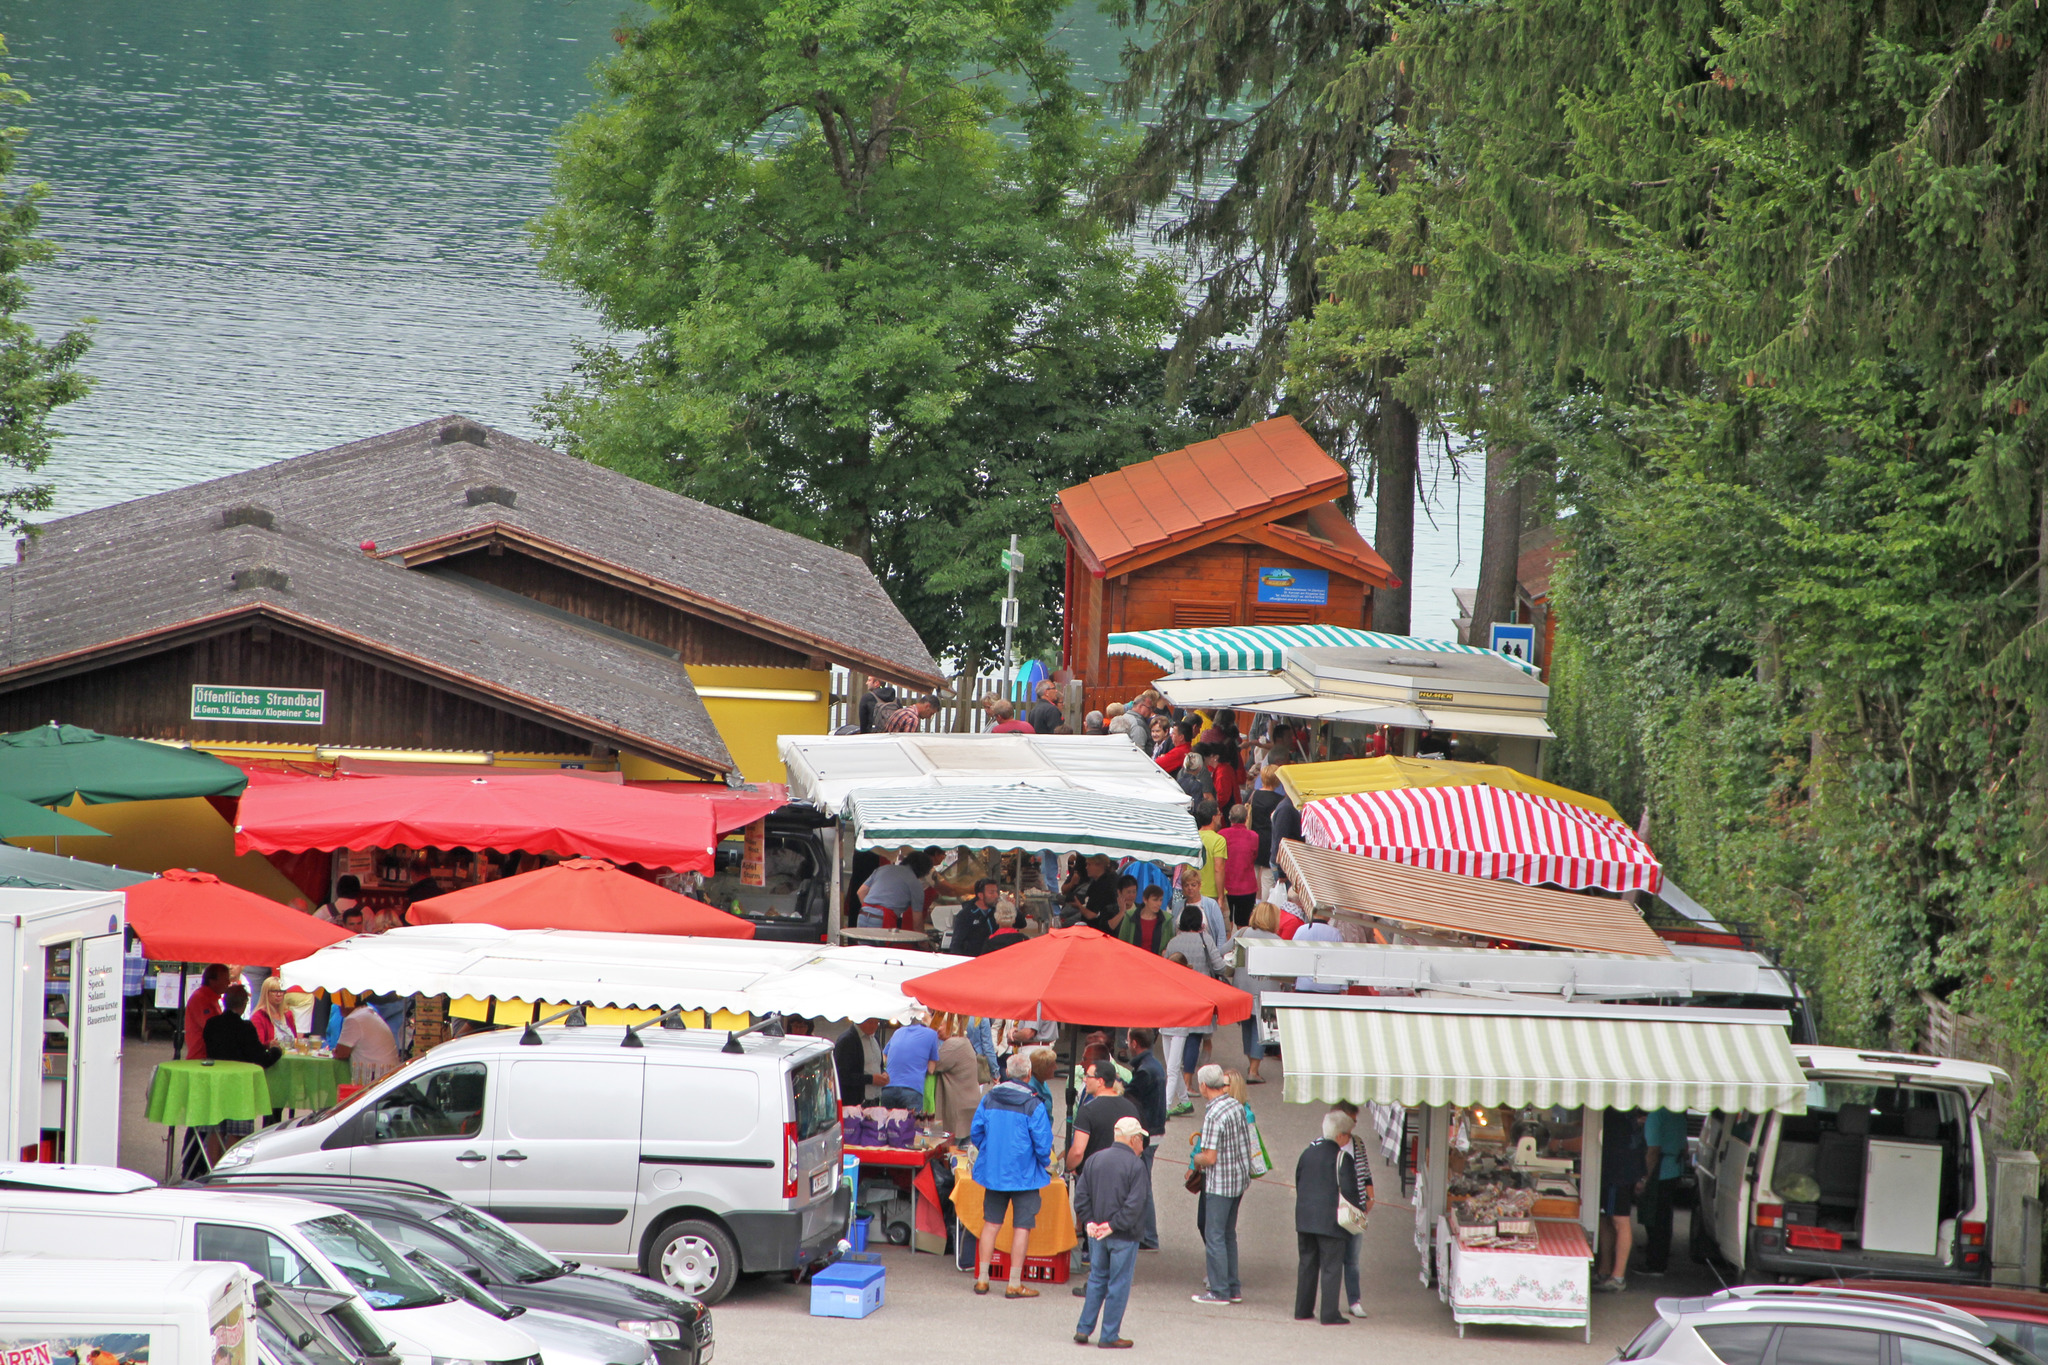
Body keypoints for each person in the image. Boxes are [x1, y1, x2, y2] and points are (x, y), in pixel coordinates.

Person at [968, 1051, 1055, 1298]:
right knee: (1021, 1227)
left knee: (991, 1224)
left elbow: (976, 1132)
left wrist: (990, 1151)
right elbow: (1042, 1143)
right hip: (1025, 1175)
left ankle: (983, 1279)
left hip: (994, 1172)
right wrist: (1045, 1162)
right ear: (1029, 1074)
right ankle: (1014, 1282)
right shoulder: (1034, 1104)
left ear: (1007, 1072)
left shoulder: (989, 1098)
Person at [1072, 1115, 1149, 1349]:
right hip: (1123, 1235)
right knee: (1119, 1283)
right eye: (1141, 1140)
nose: (1142, 1145)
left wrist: (1090, 1222)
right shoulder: (1136, 1165)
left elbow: (1081, 1196)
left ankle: (1083, 1329)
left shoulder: (1095, 1159)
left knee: (1096, 1279)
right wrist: (1114, 1225)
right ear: (1134, 1139)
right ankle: (1109, 1335)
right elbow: (1135, 1205)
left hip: (1096, 1233)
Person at [1189, 1064, 1252, 1305]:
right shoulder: (1236, 1106)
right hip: (1237, 1179)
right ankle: (1232, 1287)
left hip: (1220, 1183)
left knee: (1214, 1235)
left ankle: (1219, 1291)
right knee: (1228, 1235)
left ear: (1204, 1086)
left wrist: (1196, 1159)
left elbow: (1210, 1157)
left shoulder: (1214, 1113)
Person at [1293, 1111, 1359, 1325]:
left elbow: (1298, 1179)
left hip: (1305, 1217)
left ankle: (1302, 1309)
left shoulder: (1307, 1153)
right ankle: (1329, 1313)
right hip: (1331, 1220)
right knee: (1331, 1266)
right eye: (1348, 1135)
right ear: (1340, 1136)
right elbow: (1350, 1192)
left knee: (1307, 1263)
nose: (1349, 1139)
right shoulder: (1343, 1158)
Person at [1329, 1102, 1376, 1316]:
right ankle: (1330, 1301)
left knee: (1352, 1258)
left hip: (1355, 1208)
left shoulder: (1357, 1143)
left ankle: (1354, 1300)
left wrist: (1370, 1195)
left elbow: (1365, 1171)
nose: (1354, 1125)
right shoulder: (1327, 1143)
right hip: (1333, 1207)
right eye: (1352, 1120)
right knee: (1332, 1257)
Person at [1594, 1108, 1647, 1292]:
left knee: (1619, 1219)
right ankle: (1605, 1270)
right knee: (1605, 1218)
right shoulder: (1620, 1110)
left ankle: (1618, 1277)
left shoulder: (1618, 1108)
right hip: (1618, 1166)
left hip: (1620, 1169)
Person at [1124, 1029, 1166, 1250]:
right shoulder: (1151, 1064)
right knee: (1143, 1182)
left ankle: (1148, 1236)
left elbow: (1129, 1094)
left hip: (1147, 1132)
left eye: (1128, 1041)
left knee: (1143, 1184)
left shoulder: (1145, 1071)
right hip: (1155, 1130)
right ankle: (1147, 1234)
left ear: (1134, 1043)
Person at [1232, 902, 1283, 1085]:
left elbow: (1223, 951)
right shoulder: (1277, 941)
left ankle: (1251, 1065)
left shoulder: (1243, 933)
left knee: (1247, 1027)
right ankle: (1253, 1070)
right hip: (1266, 990)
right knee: (1260, 1030)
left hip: (1242, 988)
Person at [1639, 1107, 1687, 1277]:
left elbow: (1652, 1150)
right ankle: (1660, 1258)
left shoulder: (1656, 1115)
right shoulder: (1678, 1113)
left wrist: (1643, 1178)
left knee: (1654, 1219)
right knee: (1665, 1218)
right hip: (1674, 1168)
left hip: (1659, 1171)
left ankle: (1655, 1264)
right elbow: (1685, 1146)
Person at [878, 1008, 941, 1112]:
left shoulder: (897, 1032)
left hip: (888, 1088)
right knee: (910, 1127)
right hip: (912, 1089)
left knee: (888, 1126)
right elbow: (931, 1069)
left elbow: (884, 1057)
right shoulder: (932, 1034)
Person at [933, 1013, 983, 1144]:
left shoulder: (952, 1044)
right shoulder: (963, 1041)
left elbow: (933, 1065)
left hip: (958, 1109)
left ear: (951, 1025)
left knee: (954, 1149)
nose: (937, 1028)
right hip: (968, 1105)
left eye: (940, 1025)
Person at [334, 993, 402, 1085]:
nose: (339, 1007)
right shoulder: (366, 1013)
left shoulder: (354, 1019)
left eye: (341, 1003)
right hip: (386, 1073)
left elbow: (341, 1053)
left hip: (375, 1077)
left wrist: (336, 1051)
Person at [857, 849, 927, 930]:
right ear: (923, 870)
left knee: (863, 943)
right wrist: (923, 941)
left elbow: (861, 892)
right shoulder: (915, 883)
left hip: (863, 914)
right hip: (883, 919)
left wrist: (871, 910)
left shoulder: (883, 869)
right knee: (882, 943)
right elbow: (917, 921)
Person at [1220, 803, 1260, 927]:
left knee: (1227, 923)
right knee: (1243, 925)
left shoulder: (1222, 835)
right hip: (1247, 887)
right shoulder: (1254, 836)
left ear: (1229, 818)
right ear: (1246, 818)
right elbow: (1253, 857)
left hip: (1226, 885)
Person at [182, 963, 230, 1061]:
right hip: (201, 1056)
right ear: (212, 981)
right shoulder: (202, 998)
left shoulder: (211, 998)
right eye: (225, 979)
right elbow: (212, 1028)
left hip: (207, 1055)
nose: (228, 982)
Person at [1292, 906, 1346, 992]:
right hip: (1329, 987)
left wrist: (1292, 983)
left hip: (1304, 985)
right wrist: (1344, 987)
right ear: (1326, 913)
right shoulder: (1335, 933)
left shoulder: (1301, 930)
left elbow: (1293, 958)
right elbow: (1341, 961)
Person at [1249, 769, 1285, 897]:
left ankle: (1252, 902)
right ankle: (1265, 908)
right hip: (1270, 840)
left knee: (1252, 875)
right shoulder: (1280, 800)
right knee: (1267, 878)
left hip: (1254, 838)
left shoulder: (1254, 795)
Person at [835, 1018, 884, 1106]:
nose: (874, 1026)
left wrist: (883, 1074)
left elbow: (878, 1065)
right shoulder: (847, 1040)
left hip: (874, 1098)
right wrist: (871, 1079)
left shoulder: (875, 1039)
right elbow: (842, 1075)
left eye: (877, 1023)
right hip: (855, 1102)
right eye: (870, 1022)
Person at [949, 877, 1003, 957]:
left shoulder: (997, 911)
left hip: (993, 959)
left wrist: (1010, 907)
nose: (996, 896)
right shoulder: (966, 915)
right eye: (992, 893)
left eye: (996, 892)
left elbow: (1021, 923)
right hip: (973, 960)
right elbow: (956, 945)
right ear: (980, 895)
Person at [1116, 884, 1172, 954]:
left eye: (1161, 900)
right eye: (1155, 900)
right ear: (1145, 900)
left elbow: (1171, 943)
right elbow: (1122, 941)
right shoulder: (1130, 916)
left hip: (1156, 962)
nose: (1159, 903)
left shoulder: (1167, 919)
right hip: (1134, 959)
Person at [1196, 800, 1228, 905]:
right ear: (1214, 818)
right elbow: (1219, 868)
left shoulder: (1193, 837)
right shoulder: (1218, 840)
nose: (1221, 817)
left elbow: (1184, 867)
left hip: (1194, 893)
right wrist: (1220, 897)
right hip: (1212, 895)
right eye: (1219, 814)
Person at [252, 976, 299, 1047]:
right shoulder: (258, 1016)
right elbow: (257, 1045)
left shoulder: (288, 1014)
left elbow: (295, 1040)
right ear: (266, 993)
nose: (279, 994)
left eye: (281, 991)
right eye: (274, 991)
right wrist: (269, 1044)